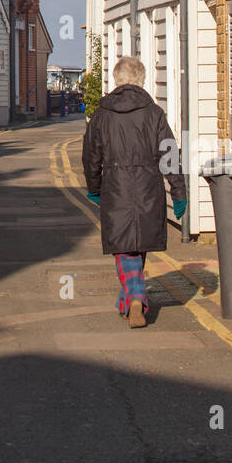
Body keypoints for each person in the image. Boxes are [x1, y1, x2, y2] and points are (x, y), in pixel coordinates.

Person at [81, 55, 187, 328]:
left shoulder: (102, 114)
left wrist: (94, 187)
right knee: (138, 245)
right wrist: (178, 192)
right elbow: (169, 154)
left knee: (124, 247)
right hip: (148, 186)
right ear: (141, 79)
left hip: (115, 188)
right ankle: (128, 300)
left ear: (116, 80)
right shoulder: (153, 113)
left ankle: (136, 297)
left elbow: (90, 156)